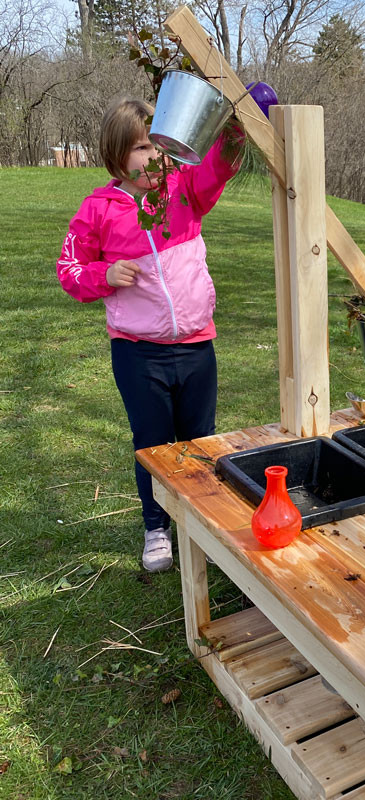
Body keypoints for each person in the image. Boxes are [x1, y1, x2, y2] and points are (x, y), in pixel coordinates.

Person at [57, 97, 245, 572]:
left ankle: (201, 522)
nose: (154, 157)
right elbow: (69, 269)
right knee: (154, 444)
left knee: (200, 440)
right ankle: (156, 526)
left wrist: (239, 130)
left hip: (197, 346)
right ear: (116, 153)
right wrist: (105, 273)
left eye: (160, 145)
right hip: (139, 355)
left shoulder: (185, 189)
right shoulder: (97, 209)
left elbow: (218, 168)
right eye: (142, 147)